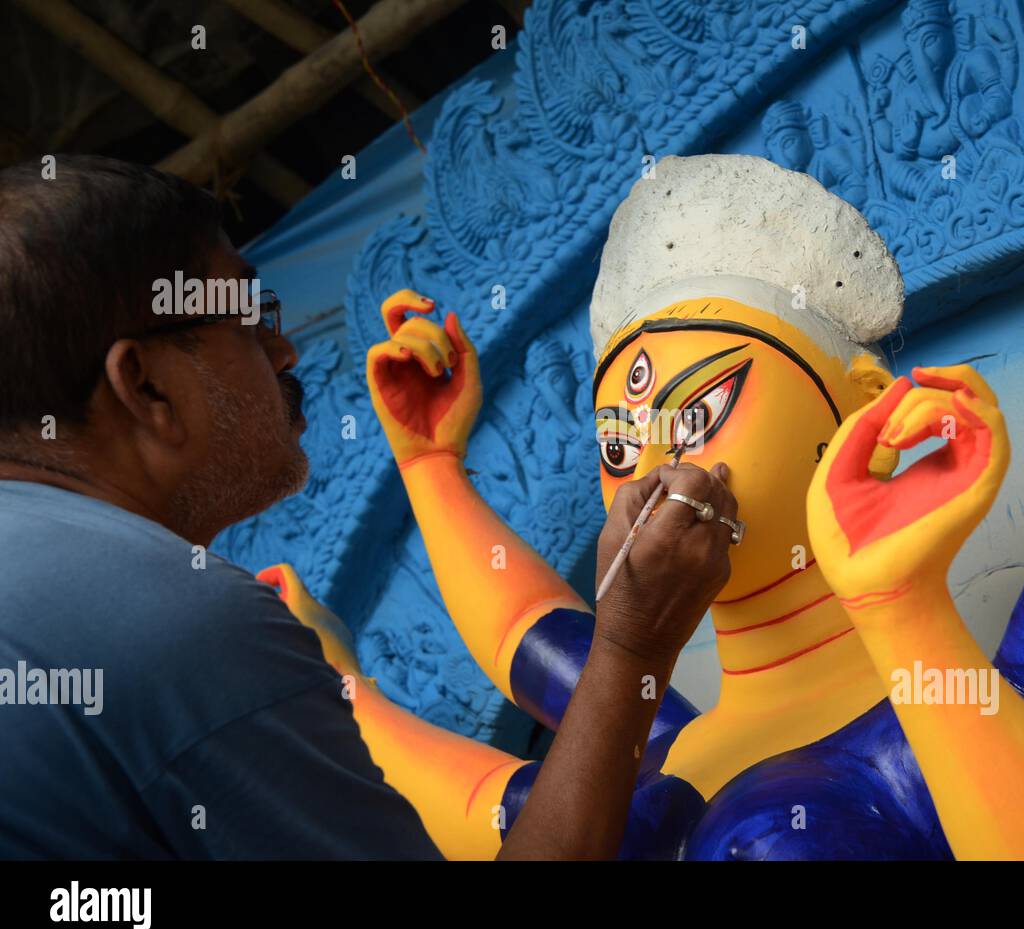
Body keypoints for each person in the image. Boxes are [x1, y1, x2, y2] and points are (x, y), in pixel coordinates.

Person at [0, 154, 737, 860]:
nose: (285, 352)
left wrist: (430, 469)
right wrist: (632, 646)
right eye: (251, 317)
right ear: (145, 387)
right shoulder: (174, 621)